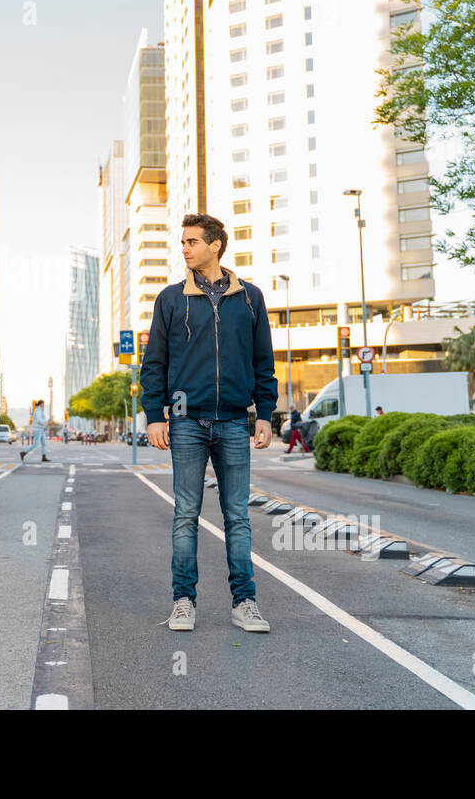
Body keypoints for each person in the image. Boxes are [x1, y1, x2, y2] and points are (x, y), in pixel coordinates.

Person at [141, 213, 278, 635]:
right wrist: (153, 415)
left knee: (238, 517)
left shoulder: (250, 299)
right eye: (182, 242)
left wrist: (265, 414)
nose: (184, 248)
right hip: (185, 422)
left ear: (216, 245)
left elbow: (263, 362)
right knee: (186, 514)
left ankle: (245, 603)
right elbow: (155, 363)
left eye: (192, 242)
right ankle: (184, 602)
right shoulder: (170, 299)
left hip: (236, 422)